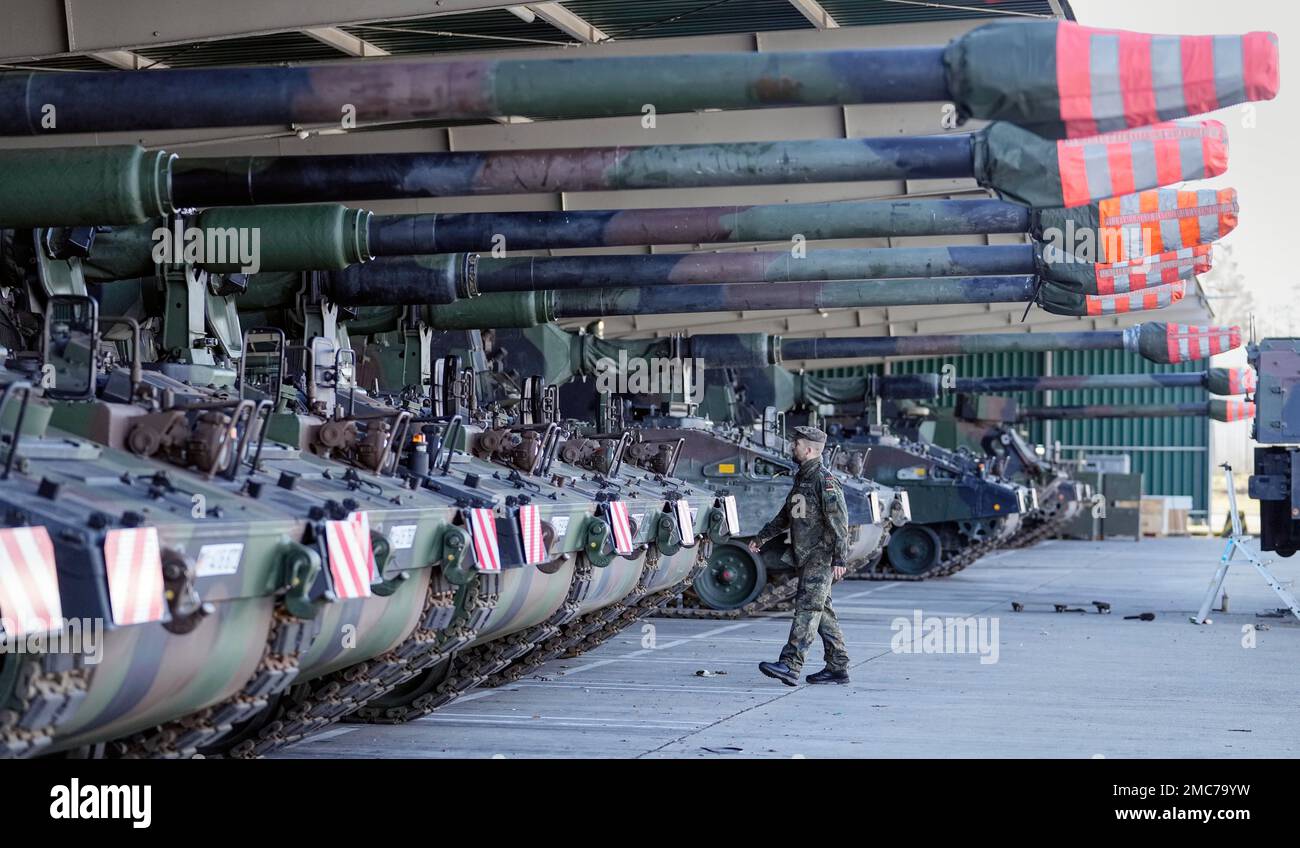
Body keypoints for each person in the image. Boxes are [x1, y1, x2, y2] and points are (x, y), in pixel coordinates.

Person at [749, 426, 851, 686]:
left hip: (820, 555)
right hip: (804, 554)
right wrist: (761, 537)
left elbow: (839, 521)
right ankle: (837, 666)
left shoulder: (824, 480)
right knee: (822, 611)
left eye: (796, 444)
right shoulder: (803, 477)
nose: (791, 447)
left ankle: (790, 665)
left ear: (808, 450)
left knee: (807, 608)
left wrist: (840, 558)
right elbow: (787, 515)